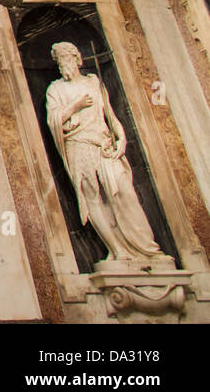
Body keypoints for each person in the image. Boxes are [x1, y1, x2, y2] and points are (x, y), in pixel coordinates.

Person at [45, 41, 164, 263]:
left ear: (77, 59)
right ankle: (118, 251)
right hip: (78, 146)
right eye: (59, 61)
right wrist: (75, 106)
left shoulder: (93, 82)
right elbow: (54, 120)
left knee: (124, 192)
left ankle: (148, 249)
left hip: (104, 144)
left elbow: (109, 114)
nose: (64, 64)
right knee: (93, 198)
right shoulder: (56, 89)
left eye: (66, 59)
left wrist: (122, 138)